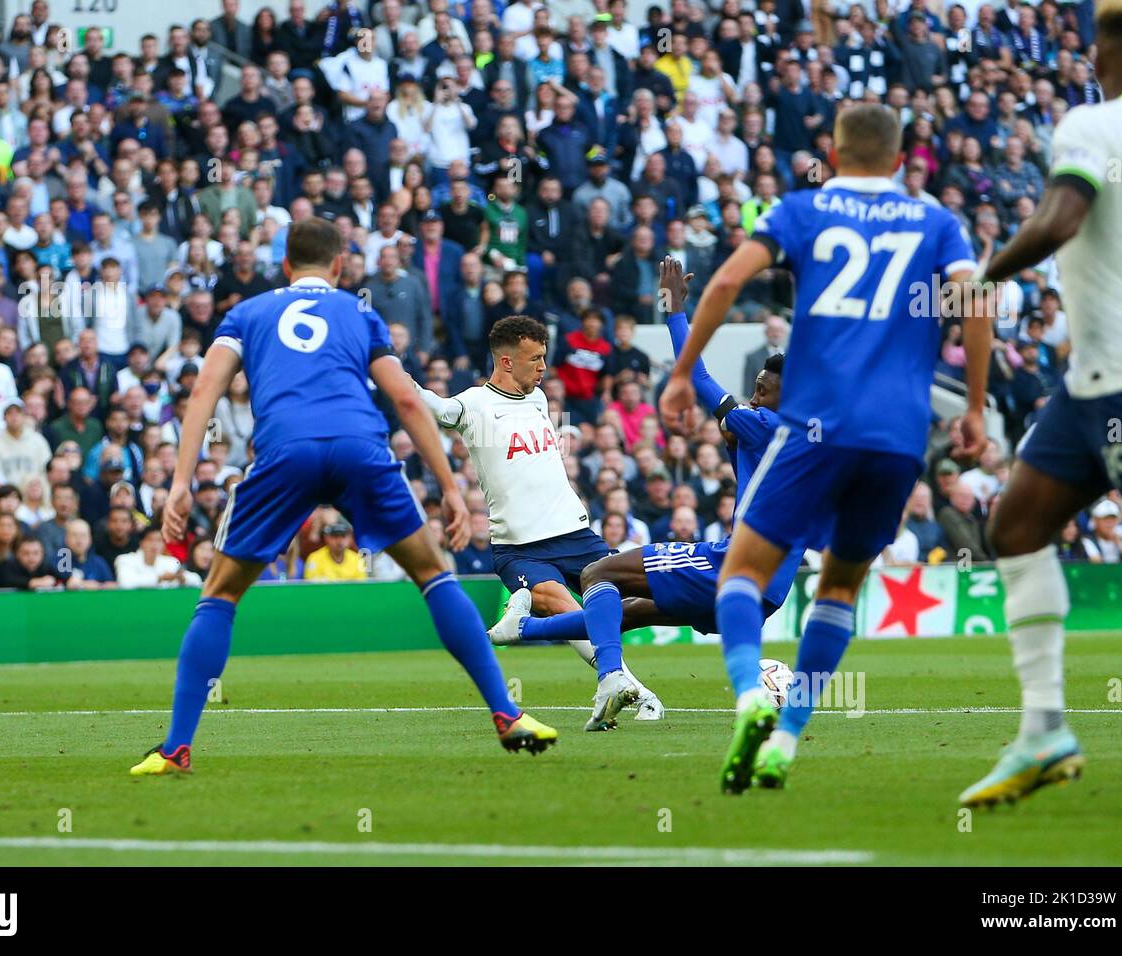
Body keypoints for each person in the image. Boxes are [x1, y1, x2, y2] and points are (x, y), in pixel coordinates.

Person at [131, 219, 555, 776]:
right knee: (433, 574)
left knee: (220, 595)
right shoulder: (361, 313)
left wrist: (180, 484)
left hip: (286, 452)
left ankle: (176, 749)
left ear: (285, 265)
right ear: (338, 267)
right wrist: (450, 488)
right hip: (360, 447)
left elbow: (204, 393)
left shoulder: (247, 313)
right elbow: (405, 398)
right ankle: (507, 713)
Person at [660, 103, 988, 793]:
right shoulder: (936, 221)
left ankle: (752, 694)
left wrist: (684, 370)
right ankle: (787, 735)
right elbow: (976, 303)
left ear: (834, 155)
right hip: (898, 438)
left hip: (815, 426)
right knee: (840, 586)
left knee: (741, 575)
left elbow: (724, 282)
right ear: (901, 161)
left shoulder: (801, 209)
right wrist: (978, 409)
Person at [958, 0, 1122, 808]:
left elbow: (1063, 214)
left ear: (1096, 56)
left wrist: (987, 275)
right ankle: (1044, 731)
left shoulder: (1093, 125)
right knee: (1015, 525)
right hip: (1092, 386)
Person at [491, 259, 808, 672]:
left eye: (762, 392)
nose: (753, 399)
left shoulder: (768, 424)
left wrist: (674, 310)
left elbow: (697, 375)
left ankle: (608, 678)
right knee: (636, 611)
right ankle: (521, 631)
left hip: (732, 565)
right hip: (765, 592)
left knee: (598, 572)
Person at [414, 314, 662, 728]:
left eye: (544, 357)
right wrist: (396, 377)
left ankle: (540, 637)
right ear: (507, 362)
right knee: (565, 607)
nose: (544, 367)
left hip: (574, 531)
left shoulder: (538, 399)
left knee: (632, 602)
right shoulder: (474, 404)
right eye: (536, 359)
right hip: (519, 544)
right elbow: (437, 408)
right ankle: (632, 690)